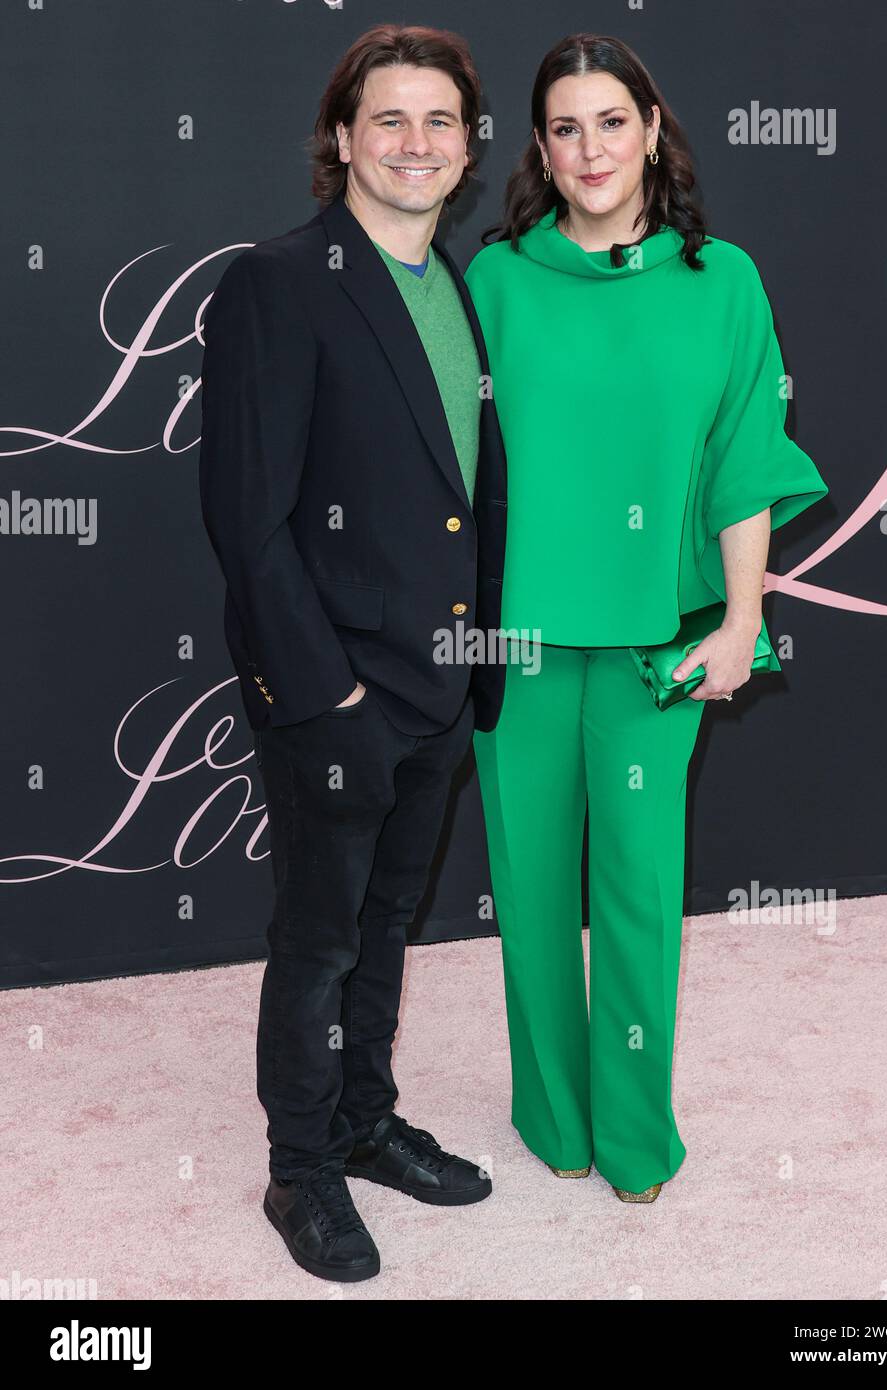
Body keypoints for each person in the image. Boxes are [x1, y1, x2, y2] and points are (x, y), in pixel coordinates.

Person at [464, 33, 828, 1203]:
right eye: (565, 127)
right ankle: (552, 1113)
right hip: (515, 642)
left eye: (611, 121)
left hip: (655, 639)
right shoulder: (498, 280)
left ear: (654, 130)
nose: (590, 148)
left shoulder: (725, 282)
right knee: (526, 887)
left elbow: (741, 461)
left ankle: (632, 1131)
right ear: (539, 148)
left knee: (634, 890)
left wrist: (741, 618)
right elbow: (451, 464)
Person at [198, 23, 507, 1282]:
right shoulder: (280, 280)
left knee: (391, 924)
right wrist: (320, 688)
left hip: (441, 682)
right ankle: (302, 1170)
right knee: (320, 937)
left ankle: (365, 1120)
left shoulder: (458, 283)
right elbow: (246, 515)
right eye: (389, 119)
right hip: (335, 690)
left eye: (440, 121)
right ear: (342, 139)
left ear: (467, 147)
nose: (415, 143)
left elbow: (468, 489)